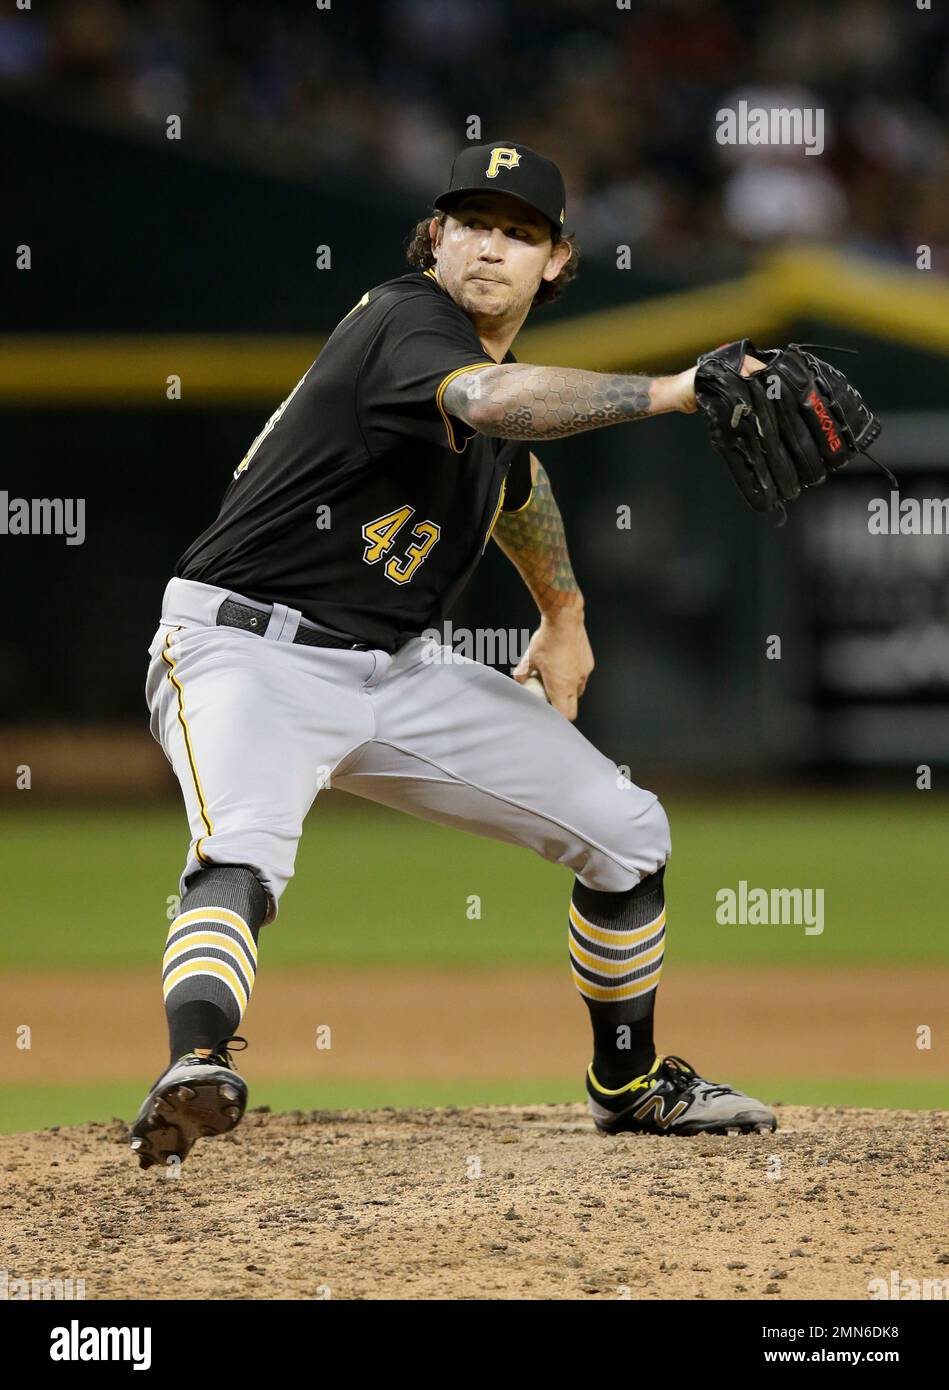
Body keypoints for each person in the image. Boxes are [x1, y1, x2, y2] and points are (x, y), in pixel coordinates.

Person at [131, 142, 775, 1170]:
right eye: (470, 223)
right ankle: (195, 1064)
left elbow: (512, 479)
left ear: (557, 261)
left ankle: (628, 1083)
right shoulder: (407, 323)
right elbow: (486, 410)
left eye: (518, 231)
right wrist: (674, 391)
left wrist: (562, 611)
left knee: (626, 831)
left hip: (392, 671)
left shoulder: (496, 376)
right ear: (435, 236)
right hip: (242, 647)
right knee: (242, 853)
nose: (489, 245)